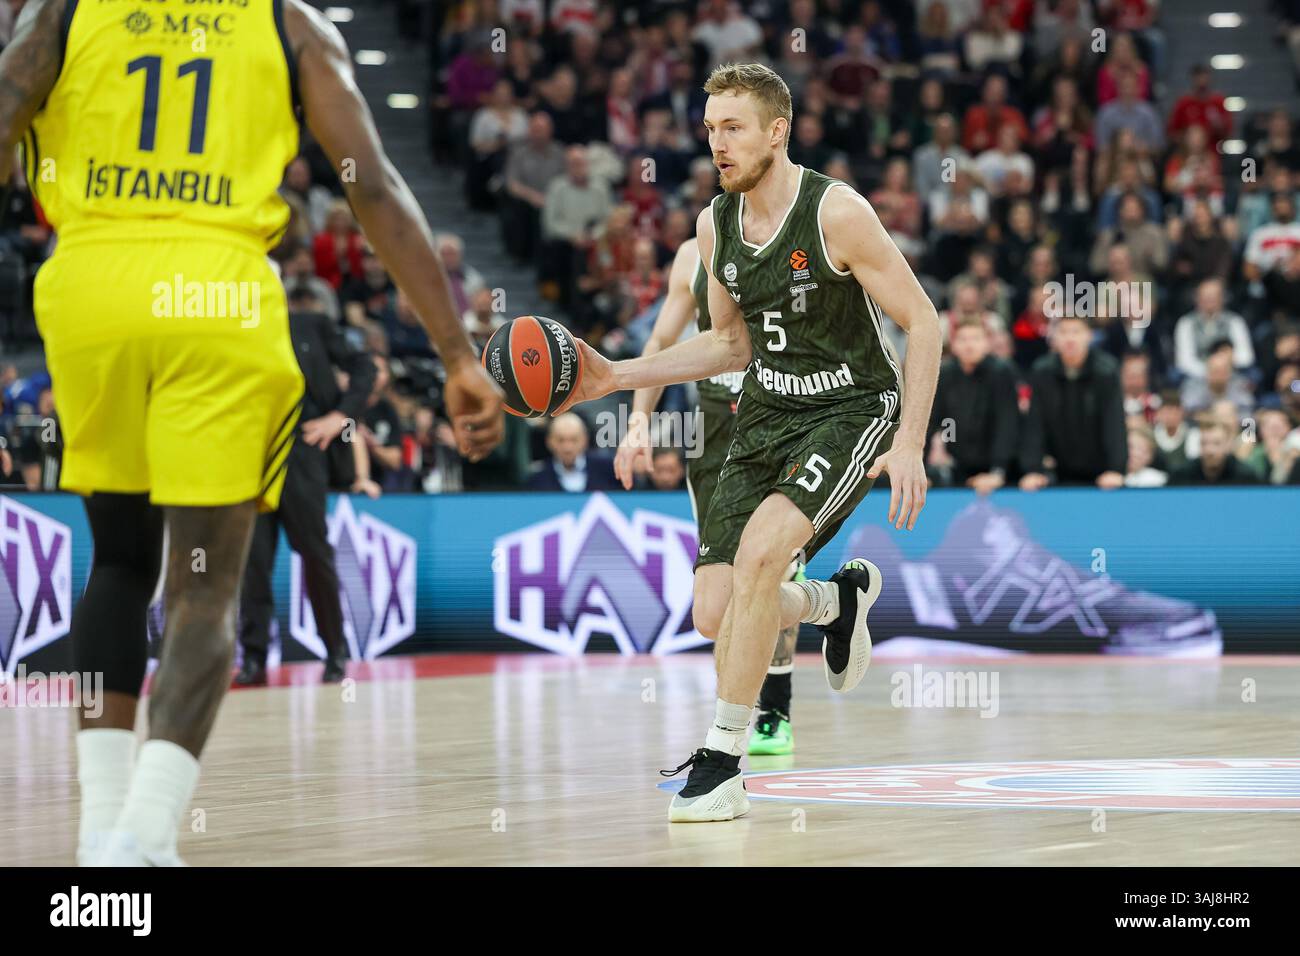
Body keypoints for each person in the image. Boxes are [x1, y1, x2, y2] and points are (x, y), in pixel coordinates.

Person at [1, 0, 503, 866]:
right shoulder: (290, 23)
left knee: (119, 559)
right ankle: (147, 834)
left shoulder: (66, 9)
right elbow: (372, 185)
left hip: (91, 289)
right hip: (217, 292)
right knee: (205, 584)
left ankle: (100, 833)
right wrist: (457, 353)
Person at [560, 63, 940, 822]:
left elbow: (924, 322)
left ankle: (723, 761)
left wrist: (909, 443)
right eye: (709, 129)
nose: (717, 144)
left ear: (777, 130)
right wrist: (613, 379)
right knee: (715, 611)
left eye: (732, 127)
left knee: (765, 557)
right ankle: (838, 601)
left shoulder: (838, 212)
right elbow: (729, 347)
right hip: (765, 412)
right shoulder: (714, 226)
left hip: (850, 408)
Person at [614, 236, 800, 757]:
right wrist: (636, 423)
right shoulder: (691, 255)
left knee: (769, 573)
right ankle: (827, 605)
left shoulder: (794, 238)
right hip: (714, 436)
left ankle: (770, 712)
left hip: (782, 424)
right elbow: (658, 345)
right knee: (715, 606)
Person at [235, 287, 378, 688]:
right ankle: (254, 659)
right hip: (253, 452)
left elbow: (366, 366)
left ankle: (335, 652)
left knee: (315, 553)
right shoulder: (233, 329)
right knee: (253, 561)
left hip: (302, 450)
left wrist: (341, 416)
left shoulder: (309, 324)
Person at [527, 413, 619, 492]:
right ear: (549, 441)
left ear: (585, 440)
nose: (567, 448)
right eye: (560, 440)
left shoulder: (609, 470)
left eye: (574, 440)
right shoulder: (537, 479)